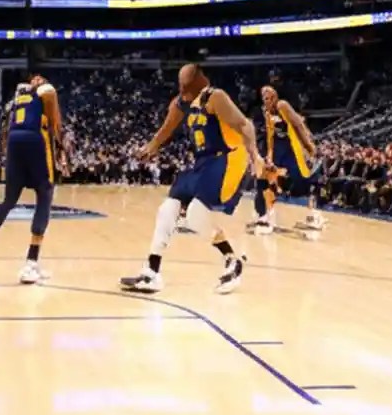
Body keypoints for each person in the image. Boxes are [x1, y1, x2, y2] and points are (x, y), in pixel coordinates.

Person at [120, 64, 264, 294]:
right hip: (202, 163)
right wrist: (151, 147)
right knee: (167, 208)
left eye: (185, 85)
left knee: (196, 214)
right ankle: (152, 273)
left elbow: (246, 126)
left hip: (229, 159)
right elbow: (167, 127)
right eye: (180, 85)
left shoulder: (215, 97)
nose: (181, 89)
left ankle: (231, 259)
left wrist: (256, 157)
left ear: (198, 81)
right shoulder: (182, 102)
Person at [0, 76, 67, 284]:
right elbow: (53, 106)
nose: (37, 80)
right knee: (45, 192)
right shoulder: (43, 90)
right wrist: (60, 147)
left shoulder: (16, 100)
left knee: (10, 198)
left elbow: (4, 129)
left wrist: (7, 154)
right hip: (34, 139)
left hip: (14, 142)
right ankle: (30, 263)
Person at [254, 85, 324, 235]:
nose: (266, 100)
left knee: (304, 182)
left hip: (294, 149)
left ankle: (314, 214)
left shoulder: (282, 106)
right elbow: (270, 138)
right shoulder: (267, 113)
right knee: (267, 177)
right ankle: (269, 216)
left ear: (274, 97)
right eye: (264, 98)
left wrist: (309, 146)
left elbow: (298, 125)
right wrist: (270, 157)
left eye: (268, 97)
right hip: (281, 150)